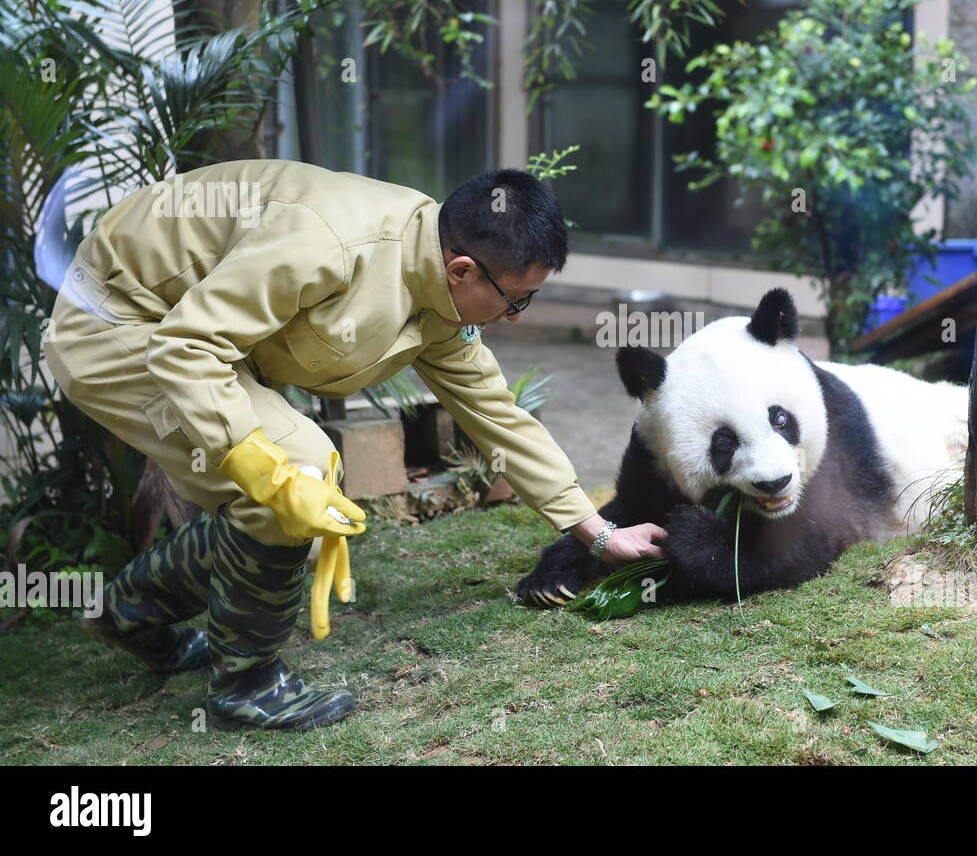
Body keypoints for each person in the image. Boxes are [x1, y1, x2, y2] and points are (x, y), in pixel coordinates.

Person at [42, 158, 666, 732]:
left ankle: (127, 612)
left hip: (187, 327)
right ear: (462, 270)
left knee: (284, 486)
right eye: (517, 298)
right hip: (118, 322)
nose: (519, 316)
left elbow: (497, 414)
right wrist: (272, 475)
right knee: (297, 470)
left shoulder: (437, 287)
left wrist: (599, 533)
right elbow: (187, 347)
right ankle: (246, 687)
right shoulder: (330, 245)